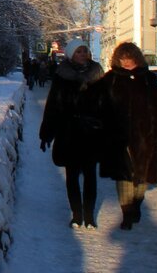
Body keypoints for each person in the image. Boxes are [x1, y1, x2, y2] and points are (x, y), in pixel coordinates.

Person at [98, 41, 157, 231]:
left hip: (145, 135)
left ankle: (136, 204)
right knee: (123, 177)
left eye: (130, 58)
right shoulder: (110, 79)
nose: (127, 62)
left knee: (142, 176)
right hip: (118, 137)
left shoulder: (148, 79)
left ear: (137, 58)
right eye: (123, 59)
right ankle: (126, 214)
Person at [39, 45, 106, 228]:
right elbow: (53, 106)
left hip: (92, 133)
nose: (83, 54)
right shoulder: (62, 76)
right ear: (70, 54)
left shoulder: (97, 73)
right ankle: (77, 215)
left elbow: (106, 105)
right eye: (78, 51)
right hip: (68, 132)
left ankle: (89, 215)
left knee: (91, 176)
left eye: (85, 51)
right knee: (72, 175)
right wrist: (46, 134)